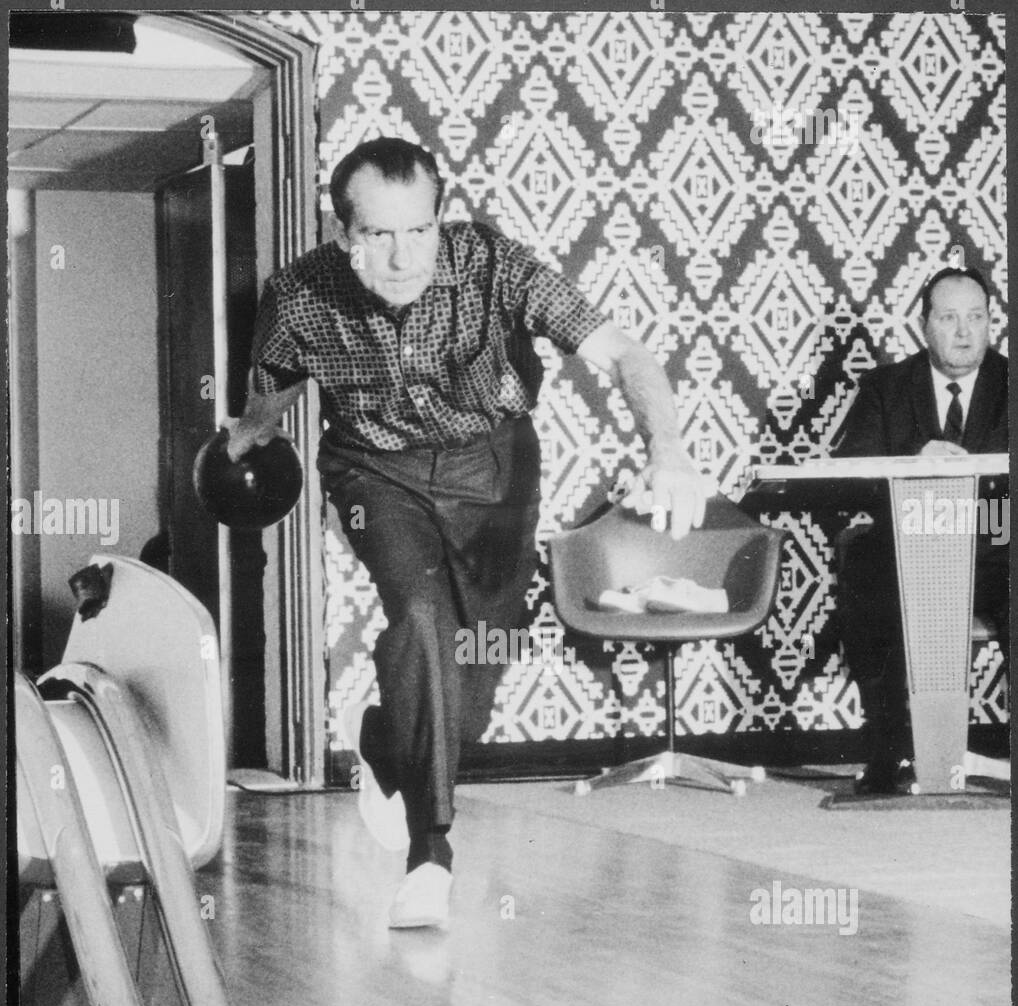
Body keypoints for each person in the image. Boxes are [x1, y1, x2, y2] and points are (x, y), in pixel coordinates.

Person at [228, 137, 712, 926]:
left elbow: (623, 353)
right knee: (419, 617)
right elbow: (271, 391)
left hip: (494, 469)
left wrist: (669, 449)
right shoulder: (297, 296)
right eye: (377, 234)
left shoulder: (493, 264)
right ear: (342, 233)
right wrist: (243, 439)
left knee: (477, 664)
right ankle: (431, 855)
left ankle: (387, 742)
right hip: (373, 472)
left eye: (417, 230)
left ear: (439, 220)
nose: (400, 254)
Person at [832, 265, 1008, 792]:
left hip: (996, 541)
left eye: (976, 318)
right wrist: (914, 457)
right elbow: (851, 471)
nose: (964, 331)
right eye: (949, 318)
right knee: (863, 565)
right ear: (923, 326)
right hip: (907, 549)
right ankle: (889, 754)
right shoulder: (886, 386)